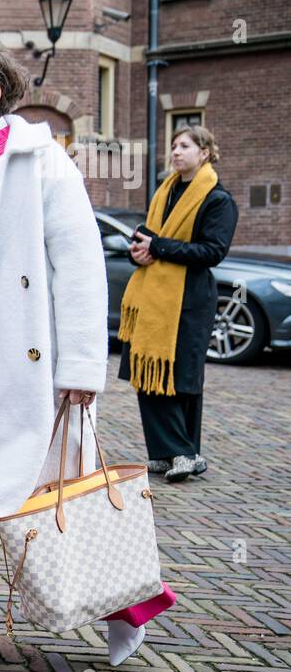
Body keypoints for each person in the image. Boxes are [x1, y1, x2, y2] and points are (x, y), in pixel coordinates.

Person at [0, 37, 175, 672]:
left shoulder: (40, 160)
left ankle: (122, 606)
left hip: (16, 343)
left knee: (56, 486)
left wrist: (79, 367)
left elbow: (77, 266)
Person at [119, 124, 237, 483]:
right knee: (148, 375)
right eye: (173, 145)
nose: (175, 151)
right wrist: (139, 252)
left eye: (184, 145)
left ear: (204, 152)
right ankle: (167, 453)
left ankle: (184, 452)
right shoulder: (165, 192)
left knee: (181, 379)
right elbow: (150, 237)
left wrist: (158, 247)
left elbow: (212, 252)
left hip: (188, 301)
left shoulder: (218, 199)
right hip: (150, 299)